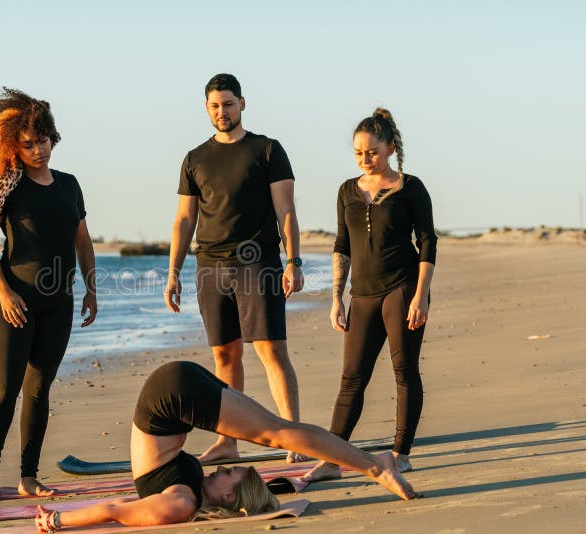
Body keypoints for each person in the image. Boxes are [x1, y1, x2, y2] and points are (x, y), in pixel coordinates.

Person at [35, 360, 417, 532]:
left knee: (277, 432)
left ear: (230, 495)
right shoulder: (191, 492)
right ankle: (373, 464)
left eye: (230, 472)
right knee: (277, 429)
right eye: (230, 469)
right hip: (175, 395)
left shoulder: (181, 503)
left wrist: (55, 520)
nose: (222, 469)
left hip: (173, 396)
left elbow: (115, 510)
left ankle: (374, 466)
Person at [165, 73, 307, 463]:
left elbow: (286, 210)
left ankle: (293, 435)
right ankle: (229, 442)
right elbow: (183, 220)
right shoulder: (194, 158)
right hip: (210, 267)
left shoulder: (267, 150)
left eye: (228, 104)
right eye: (214, 105)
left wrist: (293, 261)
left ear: (242, 104)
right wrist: (173, 272)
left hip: (257, 263)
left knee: (271, 349)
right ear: (206, 109)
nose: (221, 112)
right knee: (224, 357)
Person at [0, 88, 98, 501]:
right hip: (15, 300)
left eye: (43, 142)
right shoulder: (5, 186)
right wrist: (4, 292)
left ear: (52, 139)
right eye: (28, 144)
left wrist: (92, 288)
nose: (38, 150)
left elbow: (83, 239)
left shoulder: (70, 185)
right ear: (13, 146)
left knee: (39, 390)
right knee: (6, 389)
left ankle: (27, 477)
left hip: (59, 301)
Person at [302, 108, 436, 483]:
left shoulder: (410, 187)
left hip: (403, 288)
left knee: (404, 371)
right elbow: (341, 245)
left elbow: (426, 242)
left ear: (390, 148)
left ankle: (401, 453)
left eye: (372, 151)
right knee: (351, 378)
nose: (365, 158)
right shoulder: (347, 190)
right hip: (361, 295)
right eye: (359, 151)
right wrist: (336, 298)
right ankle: (331, 460)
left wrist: (420, 295)